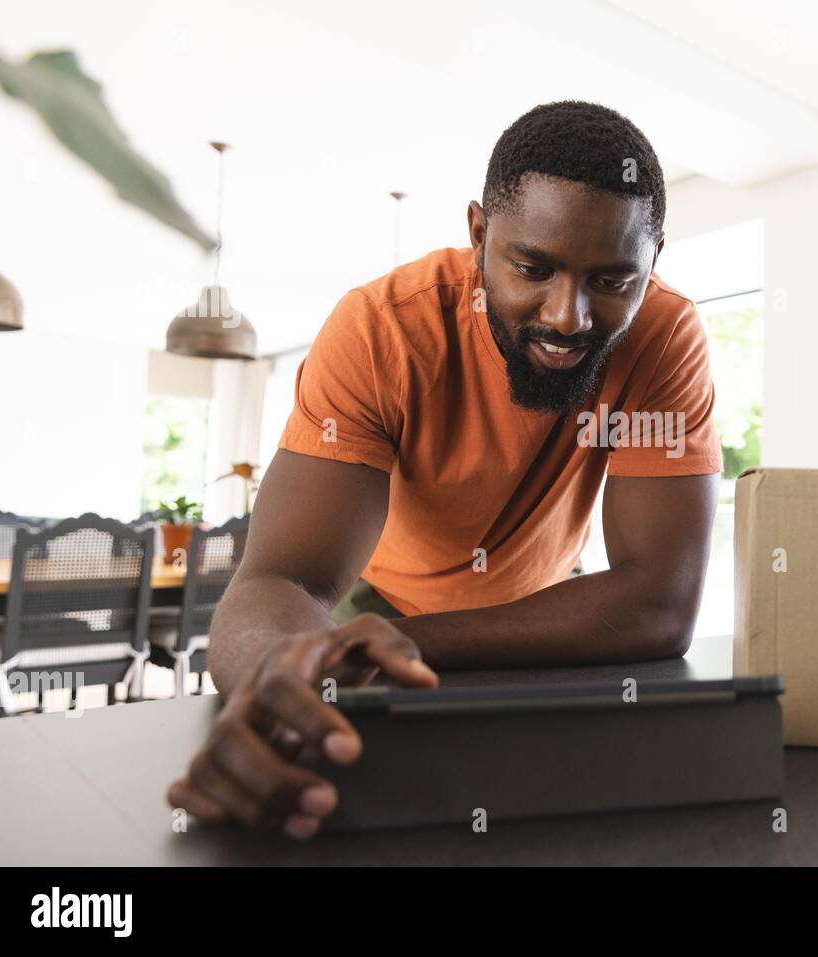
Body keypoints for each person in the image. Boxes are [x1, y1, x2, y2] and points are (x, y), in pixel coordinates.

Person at [168, 100, 723, 839]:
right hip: (379, 600)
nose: (569, 316)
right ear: (478, 234)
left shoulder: (664, 334)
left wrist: (423, 642)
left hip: (543, 610)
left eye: (613, 281)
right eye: (533, 267)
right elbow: (283, 579)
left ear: (654, 261)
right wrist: (284, 668)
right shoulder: (380, 329)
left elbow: (657, 601)